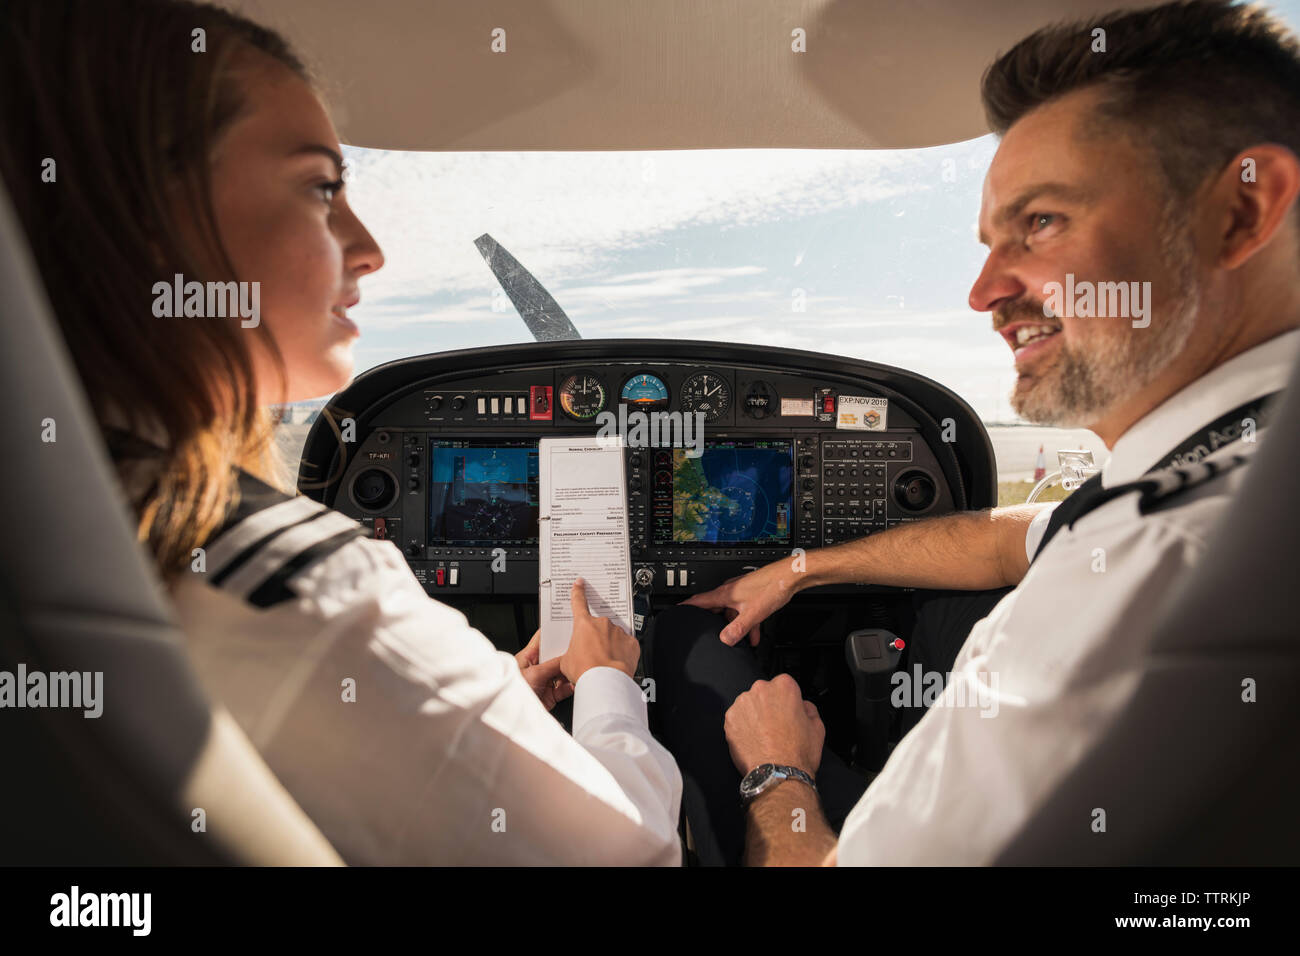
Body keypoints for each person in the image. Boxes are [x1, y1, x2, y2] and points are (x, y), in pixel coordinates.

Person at [0, 0, 681, 865]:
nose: (368, 249)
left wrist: (477, 702)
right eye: (323, 188)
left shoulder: (78, 530)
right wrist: (612, 683)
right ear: (139, 214)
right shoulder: (310, 591)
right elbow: (633, 849)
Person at [649, 0, 1300, 866]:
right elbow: (1022, 540)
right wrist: (804, 568)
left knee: (687, 646)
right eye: (992, 241)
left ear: (1241, 213)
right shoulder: (1219, 471)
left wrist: (777, 769)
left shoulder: (1150, 573)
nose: (984, 291)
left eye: (1041, 223)